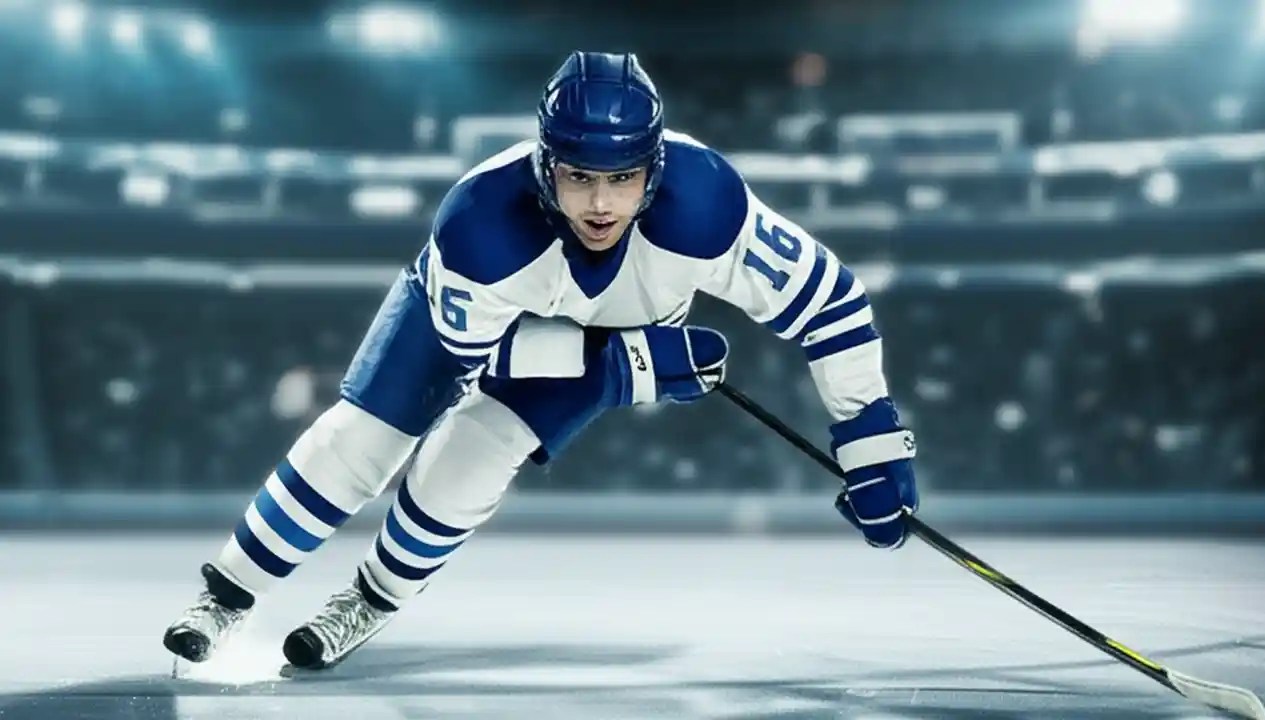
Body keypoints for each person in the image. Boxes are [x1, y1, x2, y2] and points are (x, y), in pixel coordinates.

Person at [162, 51, 920, 672]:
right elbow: (474, 363)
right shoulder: (480, 225)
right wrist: (624, 366)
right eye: (579, 176)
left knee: (471, 461)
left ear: (654, 171)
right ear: (542, 166)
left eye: (621, 178)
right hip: (470, 322)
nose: (599, 203)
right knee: (360, 442)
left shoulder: (709, 205)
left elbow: (831, 304)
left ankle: (372, 598)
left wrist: (872, 439)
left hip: (611, 336)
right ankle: (229, 594)